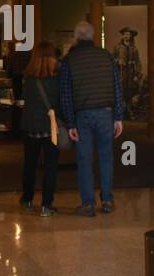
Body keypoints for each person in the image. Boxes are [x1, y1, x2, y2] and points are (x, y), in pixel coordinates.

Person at [58, 21, 124, 217]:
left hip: (82, 115)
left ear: (76, 37)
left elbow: (65, 94)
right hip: (106, 113)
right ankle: (107, 200)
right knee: (106, 157)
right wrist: (118, 116)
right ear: (93, 36)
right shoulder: (106, 56)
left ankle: (88, 204)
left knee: (84, 159)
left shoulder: (69, 60)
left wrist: (70, 123)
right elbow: (117, 87)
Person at [19, 41, 62, 217]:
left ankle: (27, 199)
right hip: (50, 128)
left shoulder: (29, 80)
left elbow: (24, 101)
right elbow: (60, 102)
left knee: (30, 164)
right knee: (50, 167)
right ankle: (46, 205)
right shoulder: (57, 78)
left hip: (31, 127)